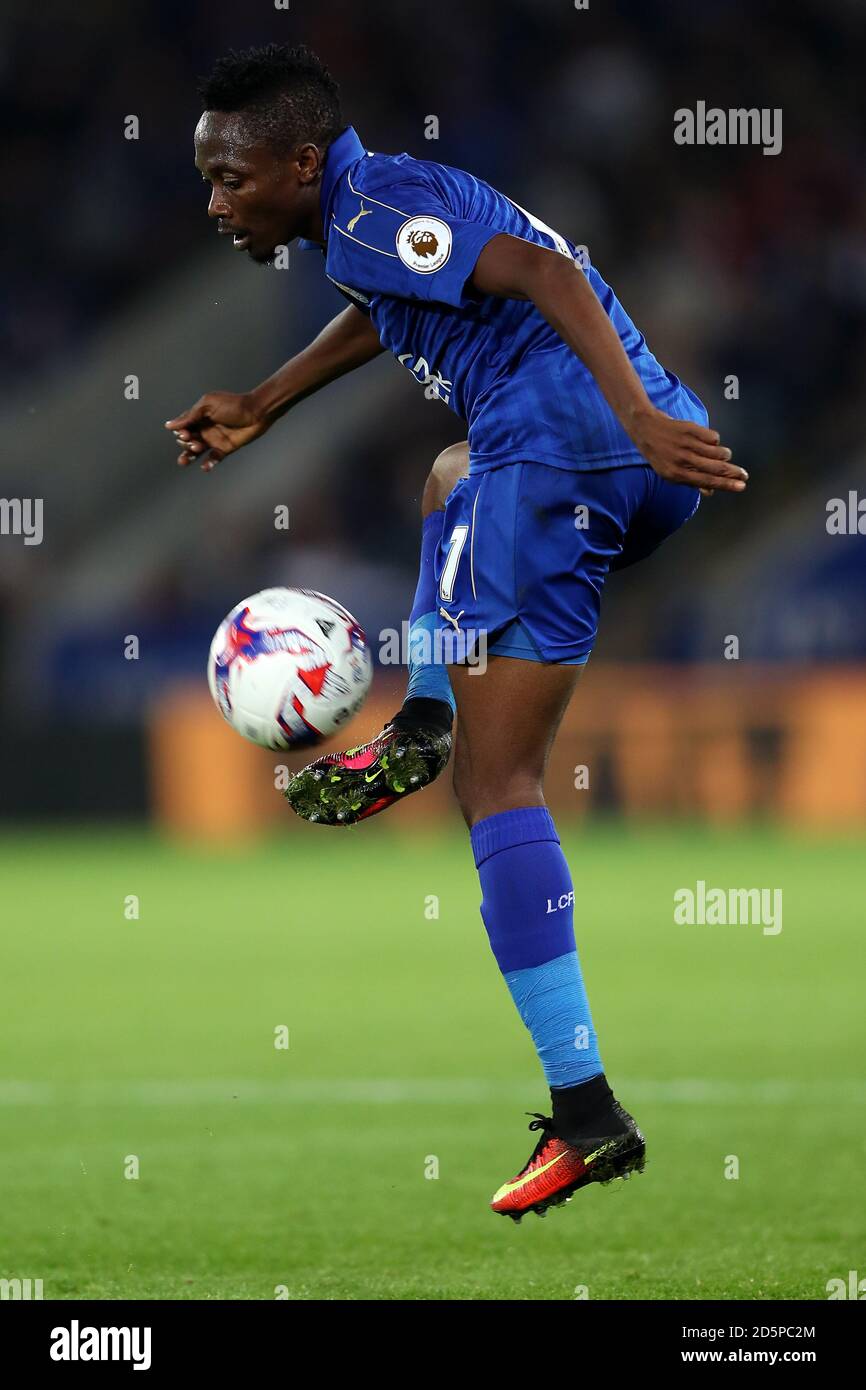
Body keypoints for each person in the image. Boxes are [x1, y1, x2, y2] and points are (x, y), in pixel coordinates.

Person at [166, 43, 747, 1220]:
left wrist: (628, 420)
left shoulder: (375, 205)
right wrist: (264, 405)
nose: (216, 202)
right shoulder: (378, 213)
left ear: (299, 161)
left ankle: (586, 1116)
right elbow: (396, 305)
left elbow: (541, 274)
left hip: (570, 449)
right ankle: (422, 716)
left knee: (501, 784)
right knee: (444, 472)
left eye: (231, 179)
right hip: (612, 454)